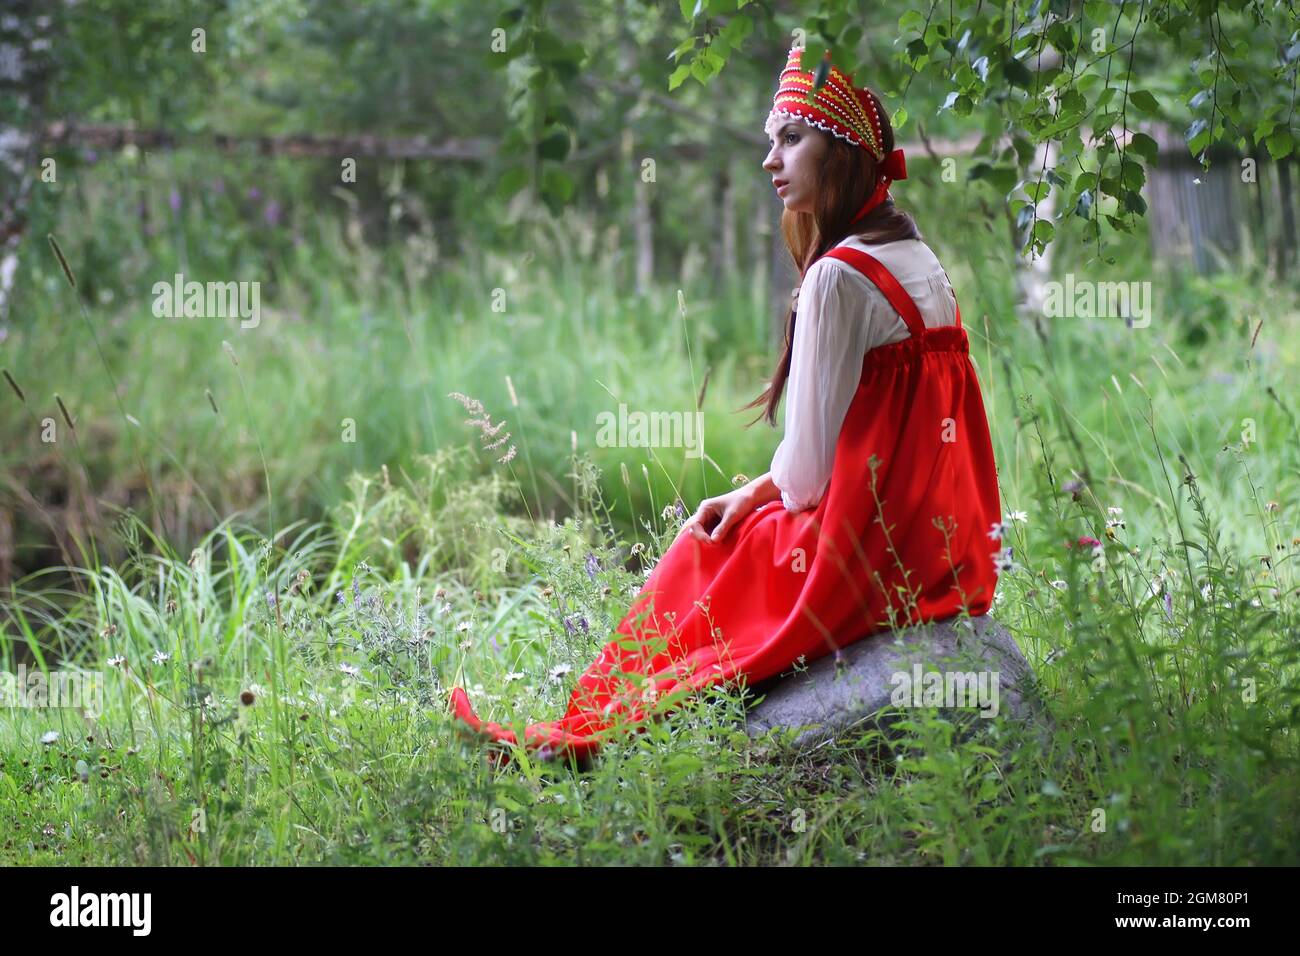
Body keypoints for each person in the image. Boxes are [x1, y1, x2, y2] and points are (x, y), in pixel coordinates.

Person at [449, 44, 1003, 766]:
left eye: (790, 138)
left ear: (839, 150)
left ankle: (589, 738)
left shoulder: (839, 276)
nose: (771, 160)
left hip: (870, 553)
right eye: (770, 141)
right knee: (737, 519)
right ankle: (592, 735)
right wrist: (757, 488)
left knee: (702, 546)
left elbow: (806, 481)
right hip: (942, 552)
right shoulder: (919, 258)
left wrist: (756, 495)